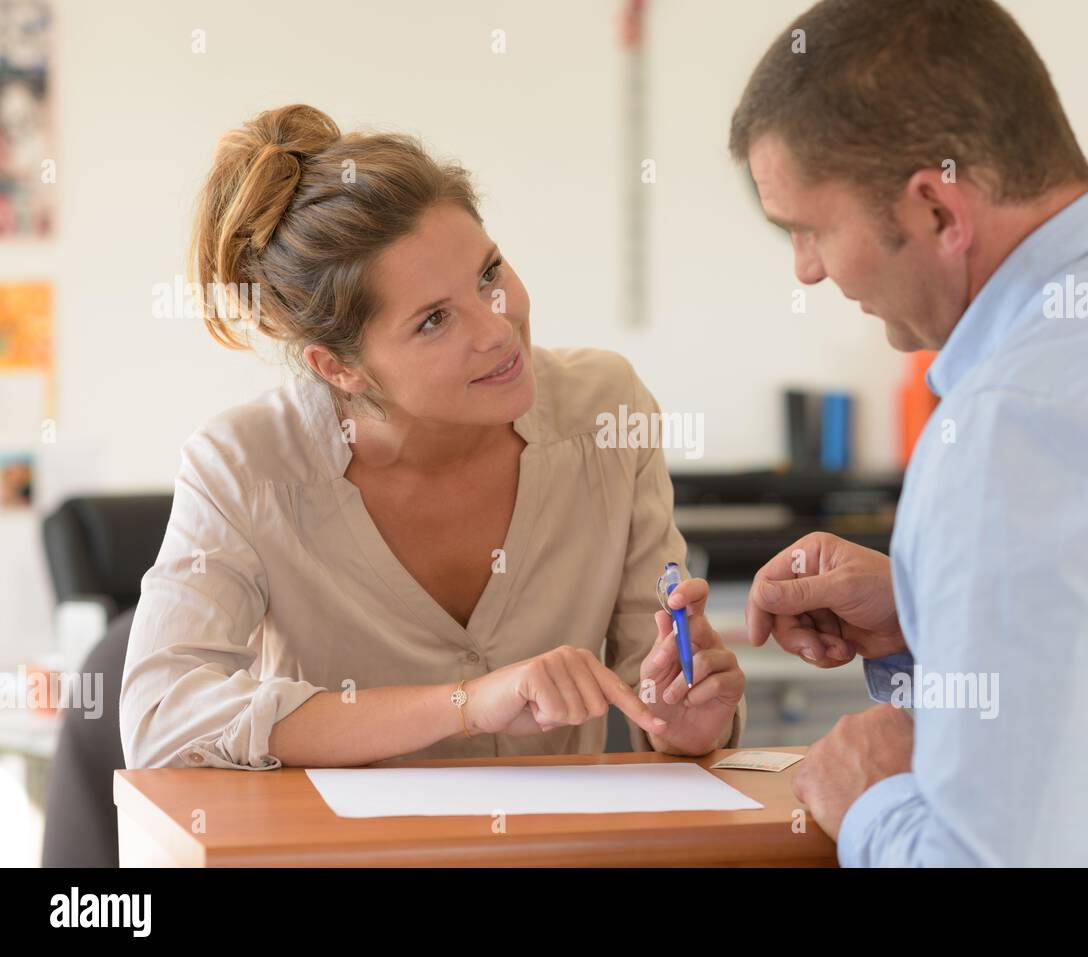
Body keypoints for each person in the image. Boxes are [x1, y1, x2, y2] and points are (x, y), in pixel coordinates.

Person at [732, 0, 1088, 865]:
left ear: (935, 210)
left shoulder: (1012, 430)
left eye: (809, 229)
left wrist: (873, 798)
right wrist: (935, 613)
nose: (807, 269)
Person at [120, 104, 745, 770]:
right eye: (433, 321)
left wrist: (687, 715)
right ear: (341, 368)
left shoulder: (605, 412)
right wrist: (467, 703)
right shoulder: (244, 466)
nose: (497, 330)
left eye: (489, 274)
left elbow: (659, 688)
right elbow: (162, 720)